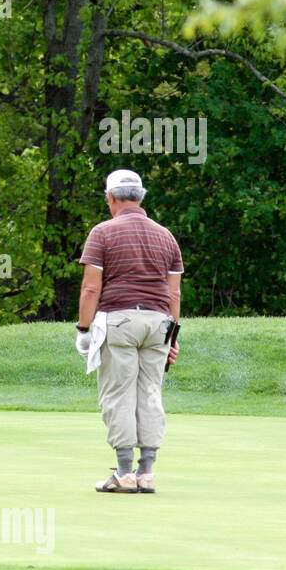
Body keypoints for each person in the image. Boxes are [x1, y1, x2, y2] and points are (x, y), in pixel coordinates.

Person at [75, 169, 183, 494]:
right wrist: (172, 338)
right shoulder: (166, 236)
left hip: (119, 320)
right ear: (141, 197)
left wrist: (83, 329)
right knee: (150, 393)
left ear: (110, 197)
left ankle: (123, 474)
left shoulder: (102, 232)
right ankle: (146, 472)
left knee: (119, 393)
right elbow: (174, 294)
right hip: (158, 322)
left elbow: (91, 289)